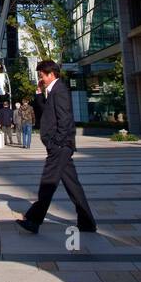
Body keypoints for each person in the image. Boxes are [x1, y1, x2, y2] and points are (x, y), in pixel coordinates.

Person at [18, 60, 96, 233]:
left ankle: (33, 220)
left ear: (50, 74)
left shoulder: (60, 90)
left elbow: (65, 119)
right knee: (73, 186)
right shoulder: (52, 91)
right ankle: (87, 222)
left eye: (42, 76)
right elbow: (45, 114)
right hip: (60, 146)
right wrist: (39, 94)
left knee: (48, 183)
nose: (41, 79)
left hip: (60, 146)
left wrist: (57, 142)